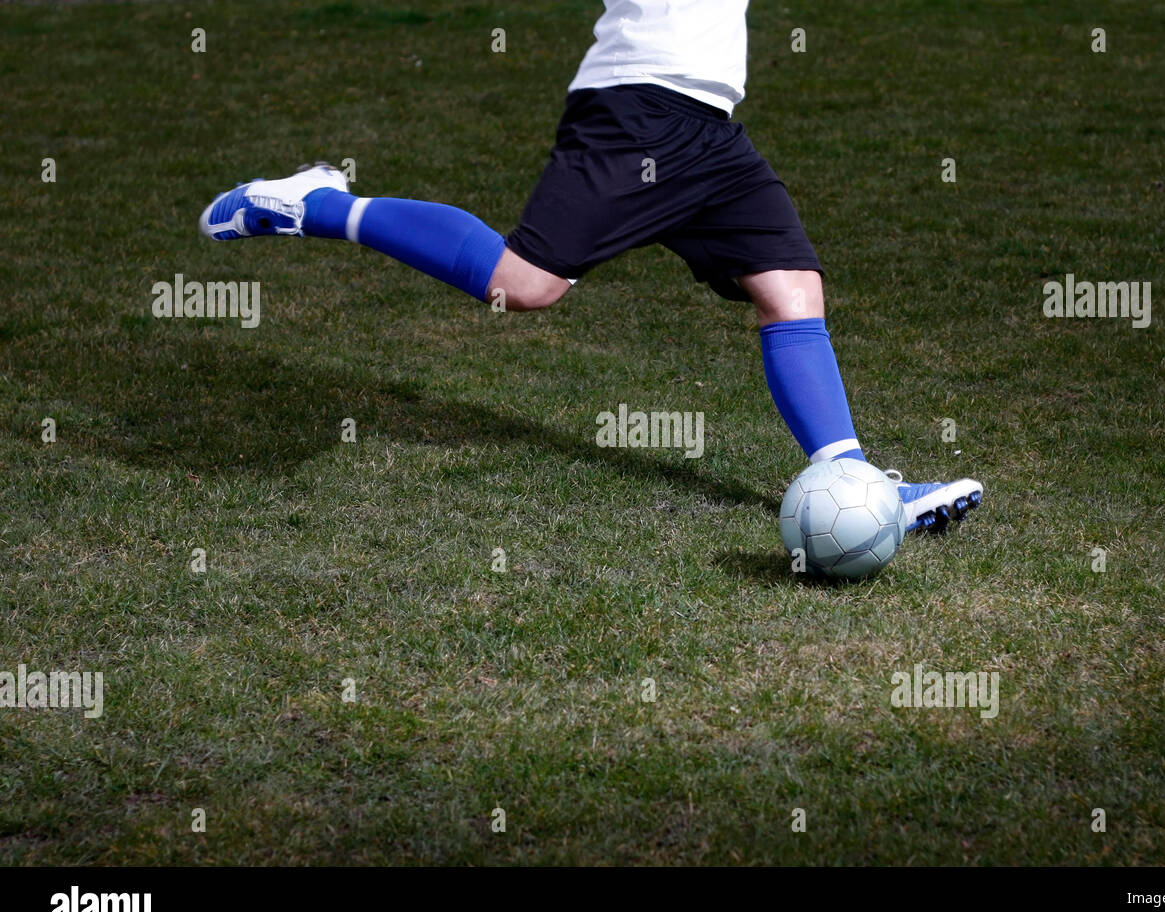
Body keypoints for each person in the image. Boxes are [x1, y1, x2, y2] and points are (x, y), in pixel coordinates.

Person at [199, 0, 981, 532]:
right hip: (637, 104)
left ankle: (859, 484)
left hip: (708, 123)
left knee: (791, 289)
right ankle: (318, 203)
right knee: (524, 284)